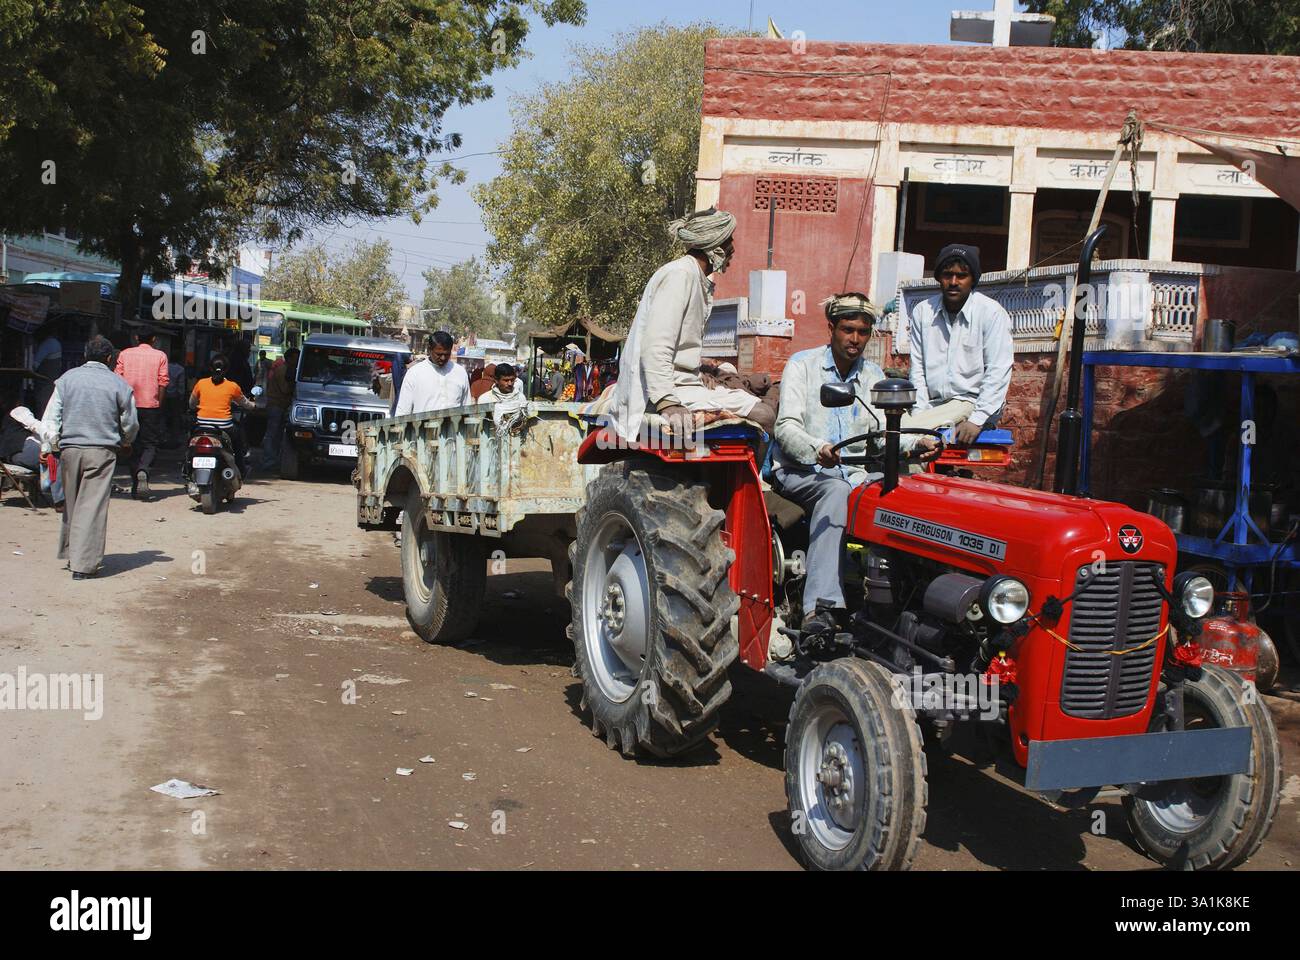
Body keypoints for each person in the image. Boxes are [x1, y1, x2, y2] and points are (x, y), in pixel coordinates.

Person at [772, 293, 933, 633]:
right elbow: (785, 428)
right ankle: (819, 608)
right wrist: (819, 448)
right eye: (847, 329)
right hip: (800, 471)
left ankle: (900, 603)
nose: (855, 339)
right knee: (835, 490)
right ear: (831, 328)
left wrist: (917, 443)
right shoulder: (802, 366)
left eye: (863, 331)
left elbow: (882, 434)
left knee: (903, 495)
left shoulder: (873, 374)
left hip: (855, 473)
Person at [608, 207, 776, 441]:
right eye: (729, 242)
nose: (733, 250)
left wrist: (700, 372)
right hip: (665, 391)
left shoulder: (693, 277)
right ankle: (762, 477)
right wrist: (668, 402)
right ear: (715, 248)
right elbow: (656, 346)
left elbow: (681, 349)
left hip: (684, 385)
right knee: (765, 415)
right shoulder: (681, 275)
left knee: (761, 403)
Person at [42, 336, 138, 579]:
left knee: (73, 503)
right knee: (92, 506)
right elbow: (130, 422)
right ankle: (83, 566)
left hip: (69, 449)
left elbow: (52, 415)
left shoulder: (66, 379)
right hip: (102, 450)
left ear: (86, 355)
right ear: (109, 359)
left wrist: (52, 444)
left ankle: (73, 554)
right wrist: (126, 441)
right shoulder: (119, 384)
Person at [906, 243, 1013, 444]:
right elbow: (917, 370)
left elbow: (998, 371)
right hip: (933, 408)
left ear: (972, 280)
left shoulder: (991, 313)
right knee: (892, 426)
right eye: (947, 275)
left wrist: (977, 420)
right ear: (939, 277)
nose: (953, 282)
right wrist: (919, 413)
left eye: (961, 276)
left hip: (971, 405)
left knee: (902, 433)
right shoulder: (923, 312)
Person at [114, 326, 169, 498]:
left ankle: (136, 484)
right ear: (154, 339)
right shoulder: (160, 356)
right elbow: (163, 383)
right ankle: (143, 470)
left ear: (136, 338)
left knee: (131, 444)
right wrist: (159, 405)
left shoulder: (124, 354)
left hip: (127, 405)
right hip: (150, 406)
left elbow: (117, 379)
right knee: (150, 443)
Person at [190, 355, 255, 478]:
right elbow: (245, 403)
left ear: (210, 368)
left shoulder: (201, 384)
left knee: (190, 442)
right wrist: (253, 405)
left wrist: (195, 407)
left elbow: (192, 403)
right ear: (226, 369)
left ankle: (188, 467)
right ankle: (241, 469)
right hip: (224, 427)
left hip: (201, 426)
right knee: (238, 443)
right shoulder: (232, 386)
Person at [394, 331, 469, 416]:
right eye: (439, 354)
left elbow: (466, 408)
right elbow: (403, 411)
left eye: (447, 354)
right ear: (430, 349)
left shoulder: (460, 373)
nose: (443, 358)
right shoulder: (415, 373)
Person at [260, 347, 298, 471]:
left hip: (280, 406)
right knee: (272, 434)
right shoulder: (283, 370)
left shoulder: (287, 369)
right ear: (290, 358)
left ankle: (273, 459)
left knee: (277, 434)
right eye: (296, 358)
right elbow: (285, 389)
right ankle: (268, 461)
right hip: (276, 405)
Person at [32, 322, 64, 413]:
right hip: (51, 382)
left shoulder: (48, 344)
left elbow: (34, 365)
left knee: (42, 409)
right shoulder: (56, 343)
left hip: (44, 383)